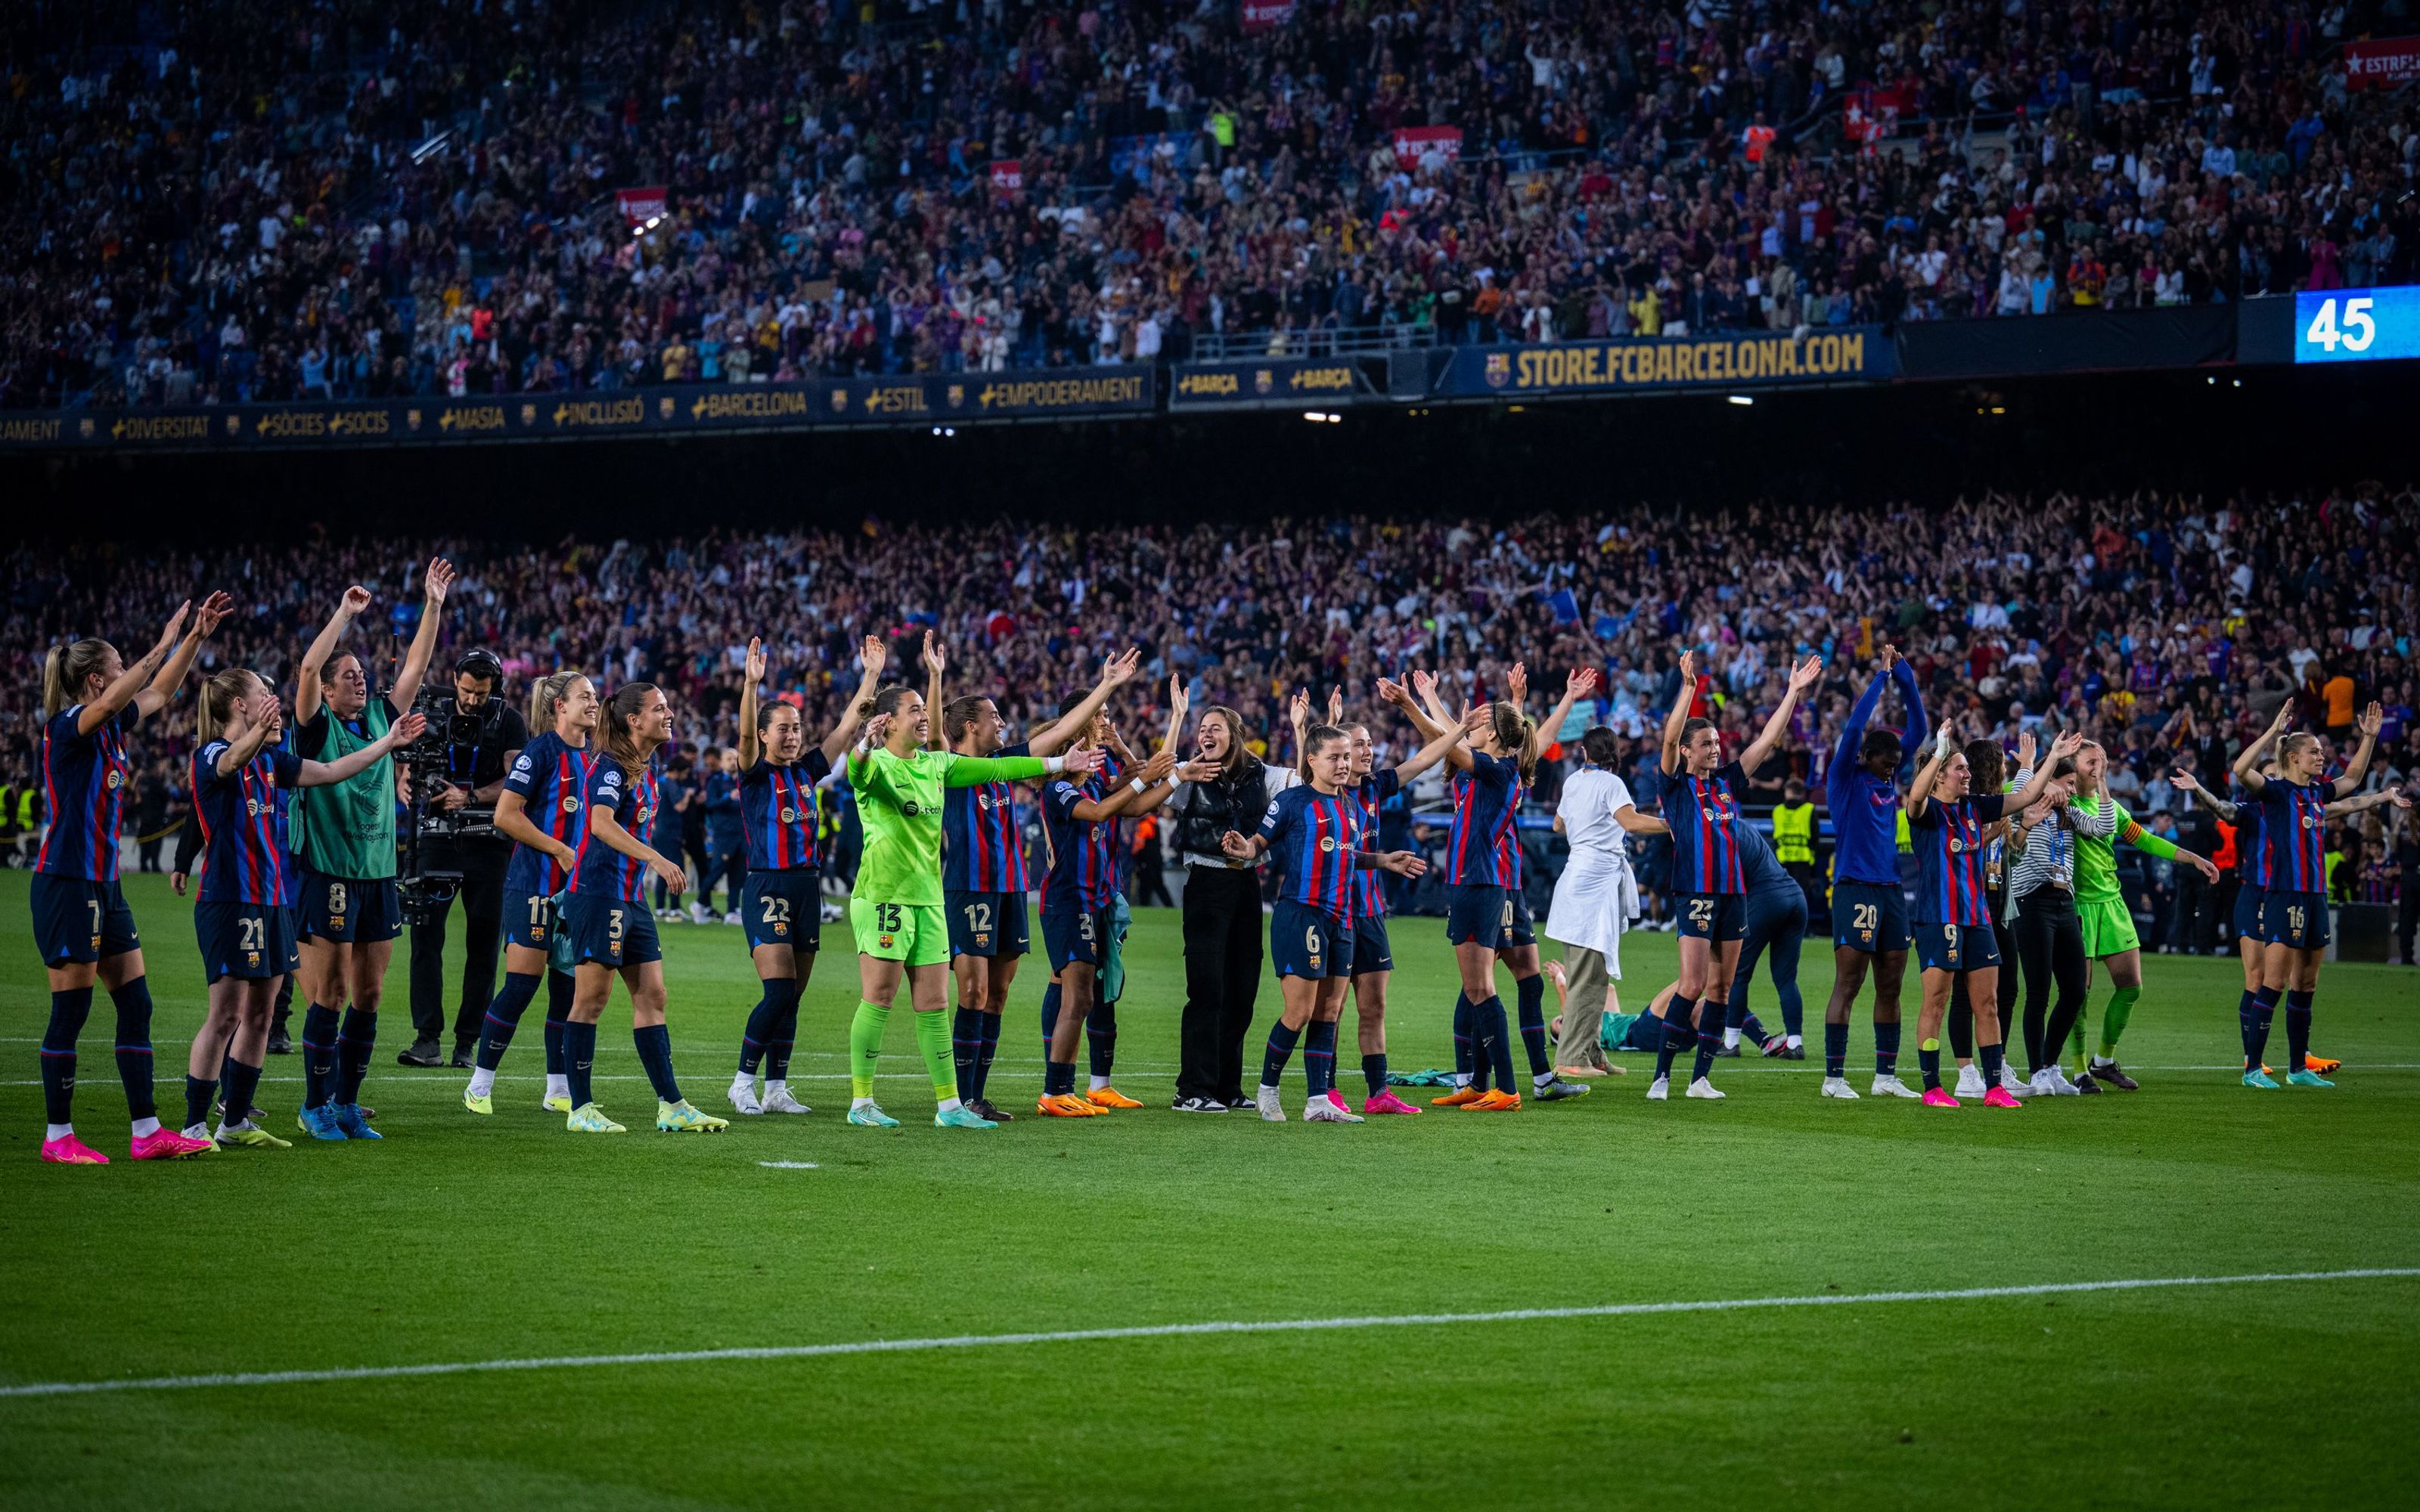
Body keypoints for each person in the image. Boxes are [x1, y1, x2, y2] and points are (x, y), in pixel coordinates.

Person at [842, 684, 1104, 1129]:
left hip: (928, 899)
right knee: (880, 997)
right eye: (914, 710)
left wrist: (1061, 762)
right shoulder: (879, 763)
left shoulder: (937, 764)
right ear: (887, 722)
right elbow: (857, 772)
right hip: (884, 897)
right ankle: (861, 1102)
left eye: (925, 709)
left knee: (933, 1004)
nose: (925, 716)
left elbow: (1002, 769)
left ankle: (950, 1107)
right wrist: (865, 744)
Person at [185, 669, 427, 1148]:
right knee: (226, 1015)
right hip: (230, 900)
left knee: (260, 1015)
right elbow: (230, 762)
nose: (273, 700)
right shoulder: (213, 753)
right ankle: (193, 1126)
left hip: (274, 900)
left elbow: (335, 771)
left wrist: (388, 742)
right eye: (263, 695)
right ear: (238, 704)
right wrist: (260, 731)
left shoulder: (275, 761)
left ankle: (234, 1123)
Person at [31, 599, 228, 1164]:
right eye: (118, 667)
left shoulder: (112, 725)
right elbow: (132, 688)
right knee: (70, 1012)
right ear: (97, 680)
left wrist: (193, 636)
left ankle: (146, 1132)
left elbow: (161, 692)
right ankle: (57, 1138)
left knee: (135, 1004)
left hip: (104, 886)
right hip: (67, 882)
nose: (126, 674)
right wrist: (163, 638)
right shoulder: (68, 726)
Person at [942, 648, 1141, 1122]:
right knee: (971, 993)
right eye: (994, 718)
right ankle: (959, 1097)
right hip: (970, 889)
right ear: (971, 727)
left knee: (998, 995)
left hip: (1011, 889)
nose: (1003, 725)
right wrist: (935, 678)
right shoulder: (948, 768)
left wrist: (1107, 686)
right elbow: (939, 728)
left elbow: (1056, 734)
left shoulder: (1006, 763)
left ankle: (978, 1097)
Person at [288, 562, 453, 1132]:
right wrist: (344, 614)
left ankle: (347, 1103)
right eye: (350, 676)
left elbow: (415, 666)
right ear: (328, 690)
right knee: (330, 993)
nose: (361, 680)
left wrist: (433, 604)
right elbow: (309, 665)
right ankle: (315, 1105)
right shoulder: (312, 728)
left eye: (362, 674)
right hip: (329, 871)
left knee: (371, 993)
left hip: (378, 874)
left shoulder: (384, 716)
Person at [1399, 664, 1598, 1109]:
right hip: (1487, 880)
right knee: (1480, 984)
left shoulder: (1492, 769)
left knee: (1483, 986)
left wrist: (1413, 702)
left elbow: (1451, 742)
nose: (1471, 726)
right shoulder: (1492, 766)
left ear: (1490, 734)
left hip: (1487, 881)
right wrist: (1432, 698)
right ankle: (1478, 1079)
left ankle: (1501, 1084)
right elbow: (1458, 738)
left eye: (1482, 721)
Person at [1640, 649, 1823, 1102]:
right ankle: (1661, 1077)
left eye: (1717, 743)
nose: (1715, 748)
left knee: (1722, 987)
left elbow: (1765, 744)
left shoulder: (1724, 783)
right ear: (1687, 751)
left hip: (1734, 897)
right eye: (1706, 744)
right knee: (1693, 984)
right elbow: (1666, 742)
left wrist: (1792, 694)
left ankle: (1700, 1079)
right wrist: (1688, 690)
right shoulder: (1676, 786)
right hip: (1696, 895)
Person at [1224, 720, 1429, 1121]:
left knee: (1329, 1013)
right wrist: (1243, 846)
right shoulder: (1292, 802)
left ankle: (1319, 1102)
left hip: (1342, 919)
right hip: (1301, 914)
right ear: (1312, 760)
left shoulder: (1349, 805)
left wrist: (1384, 860)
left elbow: (1347, 854)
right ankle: (1268, 1091)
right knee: (1299, 1012)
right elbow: (1258, 845)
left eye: (1346, 757)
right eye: (1335, 757)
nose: (1343, 764)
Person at [724, 634, 883, 1117]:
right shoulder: (754, 773)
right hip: (767, 885)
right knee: (777, 990)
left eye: (796, 728)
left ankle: (777, 1089)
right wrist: (751, 687)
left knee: (792, 997)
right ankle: (742, 1082)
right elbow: (745, 739)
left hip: (806, 888)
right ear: (767, 735)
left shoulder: (809, 770)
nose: (792, 735)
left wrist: (871, 675)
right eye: (784, 729)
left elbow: (847, 724)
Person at [560, 683, 728, 1134]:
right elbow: (599, 824)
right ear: (635, 720)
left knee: (653, 997)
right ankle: (580, 1109)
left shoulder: (644, 768)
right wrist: (655, 857)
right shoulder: (611, 767)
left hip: (630, 899)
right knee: (591, 1000)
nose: (669, 713)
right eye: (660, 708)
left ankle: (671, 1105)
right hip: (598, 893)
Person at [1902, 720, 2075, 1106]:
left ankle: (1995, 1087)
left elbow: (2027, 794)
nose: (1968, 774)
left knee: (1989, 1002)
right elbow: (1914, 797)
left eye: (1966, 767)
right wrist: (1942, 750)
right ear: (1940, 776)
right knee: (1937, 1001)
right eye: (1959, 768)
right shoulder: (1927, 813)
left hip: (1978, 919)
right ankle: (1932, 1088)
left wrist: (2054, 758)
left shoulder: (1976, 808)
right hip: (1938, 918)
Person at [2035, 739, 2221, 1090]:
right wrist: (2043, 775)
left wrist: (2193, 857)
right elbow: (2020, 788)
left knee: (2131, 986)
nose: (2098, 766)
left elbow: (2147, 840)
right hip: (2078, 905)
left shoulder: (2113, 808)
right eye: (2091, 761)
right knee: (2079, 992)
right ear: (2073, 766)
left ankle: (2103, 1060)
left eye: (2102, 759)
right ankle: (2078, 1070)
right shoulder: (2062, 800)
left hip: (2113, 903)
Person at [2232, 703, 2399, 1089]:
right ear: (2293, 757)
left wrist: (2370, 736)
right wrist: (2273, 731)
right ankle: (2253, 1069)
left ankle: (2297, 1069)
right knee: (2273, 982)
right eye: (2316, 752)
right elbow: (2241, 771)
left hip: (2315, 896)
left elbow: (2354, 778)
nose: (2322, 757)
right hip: (2284, 895)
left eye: (2322, 753)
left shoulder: (2318, 794)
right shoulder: (2274, 793)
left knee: (2306, 984)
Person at [1033, 692, 1178, 1117]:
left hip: (1098, 896)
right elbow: (1099, 814)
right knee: (1074, 995)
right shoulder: (1059, 786)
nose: (1105, 724)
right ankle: (1055, 1090)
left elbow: (1130, 805)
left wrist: (1177, 777)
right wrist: (1140, 775)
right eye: (1099, 716)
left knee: (1089, 994)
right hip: (1069, 899)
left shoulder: (1095, 777)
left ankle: (1075, 1087)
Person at [462, 670, 599, 1116]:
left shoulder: (596, 758)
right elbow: (505, 815)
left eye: (596, 696)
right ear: (560, 706)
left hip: (576, 892)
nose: (594, 703)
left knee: (567, 991)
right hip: (534, 885)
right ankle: (480, 1085)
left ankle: (557, 1089)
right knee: (521, 985)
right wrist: (559, 848)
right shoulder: (539, 753)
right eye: (585, 696)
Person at [1334, 680, 1472, 1111]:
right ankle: (1329, 1090)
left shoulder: (1375, 787)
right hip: (1334, 911)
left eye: (1369, 744)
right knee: (1331, 1010)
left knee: (1373, 1006)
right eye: (1358, 744)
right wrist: (1329, 724)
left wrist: (1460, 729)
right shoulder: (1326, 793)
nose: (1367, 751)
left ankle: (1378, 1094)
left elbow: (1426, 758)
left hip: (1371, 913)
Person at [2172, 758, 2344, 1077]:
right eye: (2269, 777)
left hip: (2291, 895)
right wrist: (2197, 788)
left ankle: (2300, 1056)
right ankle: (2251, 1059)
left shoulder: (2300, 805)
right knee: (2259, 978)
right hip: (2257, 895)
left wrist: (2383, 797)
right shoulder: (2253, 811)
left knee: (2299, 980)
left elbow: (2344, 804)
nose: (2275, 782)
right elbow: (2222, 808)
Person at [1165, 702, 1293, 1112]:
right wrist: (1176, 718)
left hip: (1246, 883)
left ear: (1234, 734)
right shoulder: (1189, 773)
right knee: (1206, 988)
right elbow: (1156, 777)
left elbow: (1305, 780)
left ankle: (1225, 1086)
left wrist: (1298, 725)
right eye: (1202, 728)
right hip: (1206, 882)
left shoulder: (1265, 775)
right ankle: (1192, 1089)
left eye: (1215, 728)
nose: (1207, 735)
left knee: (1242, 990)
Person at [406, 647, 529, 1067]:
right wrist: (409, 783)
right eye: (466, 690)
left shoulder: (509, 720)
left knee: (483, 945)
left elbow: (517, 777)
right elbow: (407, 762)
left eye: (482, 692)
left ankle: (467, 1043)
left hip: (491, 843)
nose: (473, 699)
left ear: (496, 687)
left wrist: (471, 795)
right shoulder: (430, 713)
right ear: (455, 679)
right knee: (426, 939)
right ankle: (427, 1038)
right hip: (436, 839)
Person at [1820, 645, 1925, 1099]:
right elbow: (1855, 728)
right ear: (1867, 756)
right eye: (1887, 763)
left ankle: (1885, 1076)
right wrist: (1880, 680)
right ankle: (1834, 1078)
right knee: (1849, 982)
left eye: (1897, 766)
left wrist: (1905, 676)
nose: (1893, 772)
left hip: (1890, 890)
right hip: (1854, 888)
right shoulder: (1845, 777)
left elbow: (1918, 728)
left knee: (1892, 982)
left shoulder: (1888, 780)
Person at [1541, 726, 1666, 1077]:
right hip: (1593, 887)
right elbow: (1629, 821)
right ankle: (1570, 1059)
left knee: (1591, 977)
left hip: (1575, 882)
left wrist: (1587, 830)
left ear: (1585, 753)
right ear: (1617, 753)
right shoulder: (1612, 784)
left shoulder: (1574, 782)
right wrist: (1670, 824)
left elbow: (1557, 824)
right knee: (1588, 979)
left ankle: (1593, 1053)